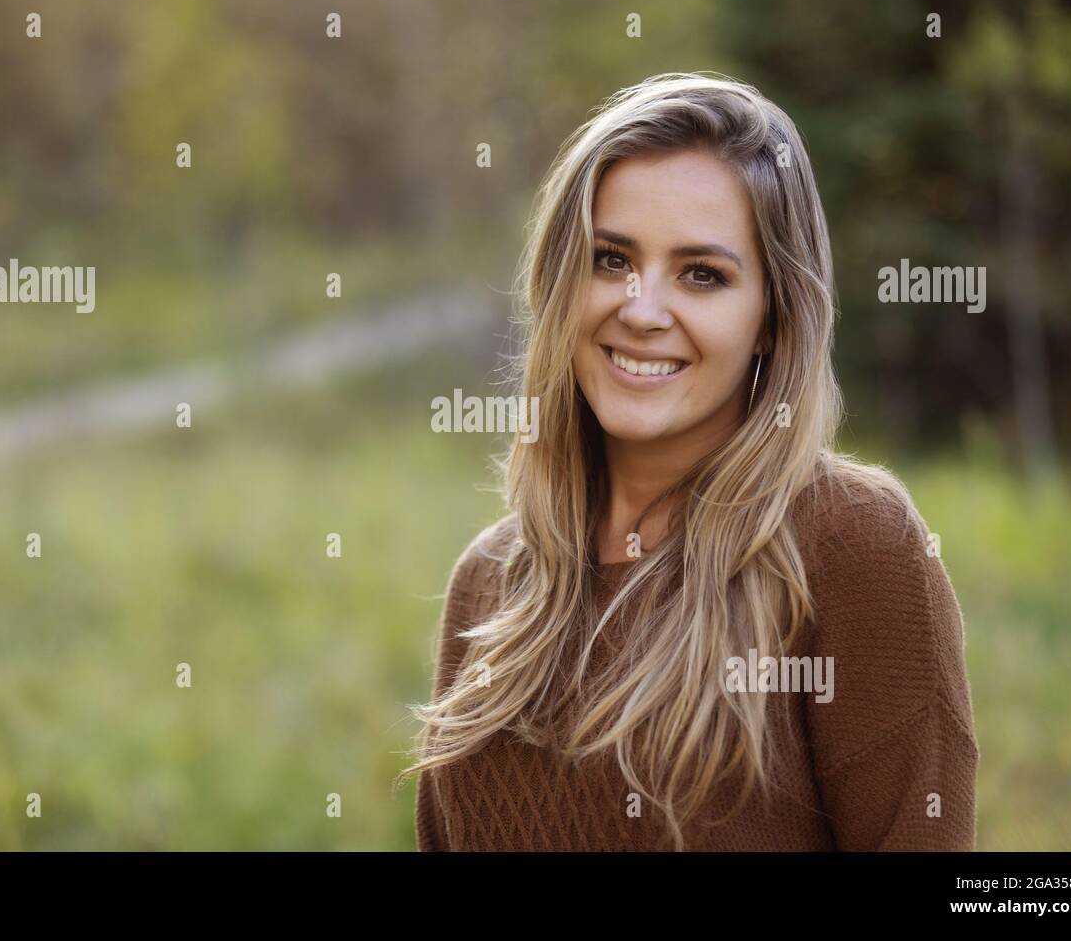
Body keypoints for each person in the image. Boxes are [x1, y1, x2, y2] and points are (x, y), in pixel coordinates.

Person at [398, 72, 979, 851]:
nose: (641, 310)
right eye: (610, 259)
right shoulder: (492, 580)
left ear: (773, 318)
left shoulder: (852, 547)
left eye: (702, 274)